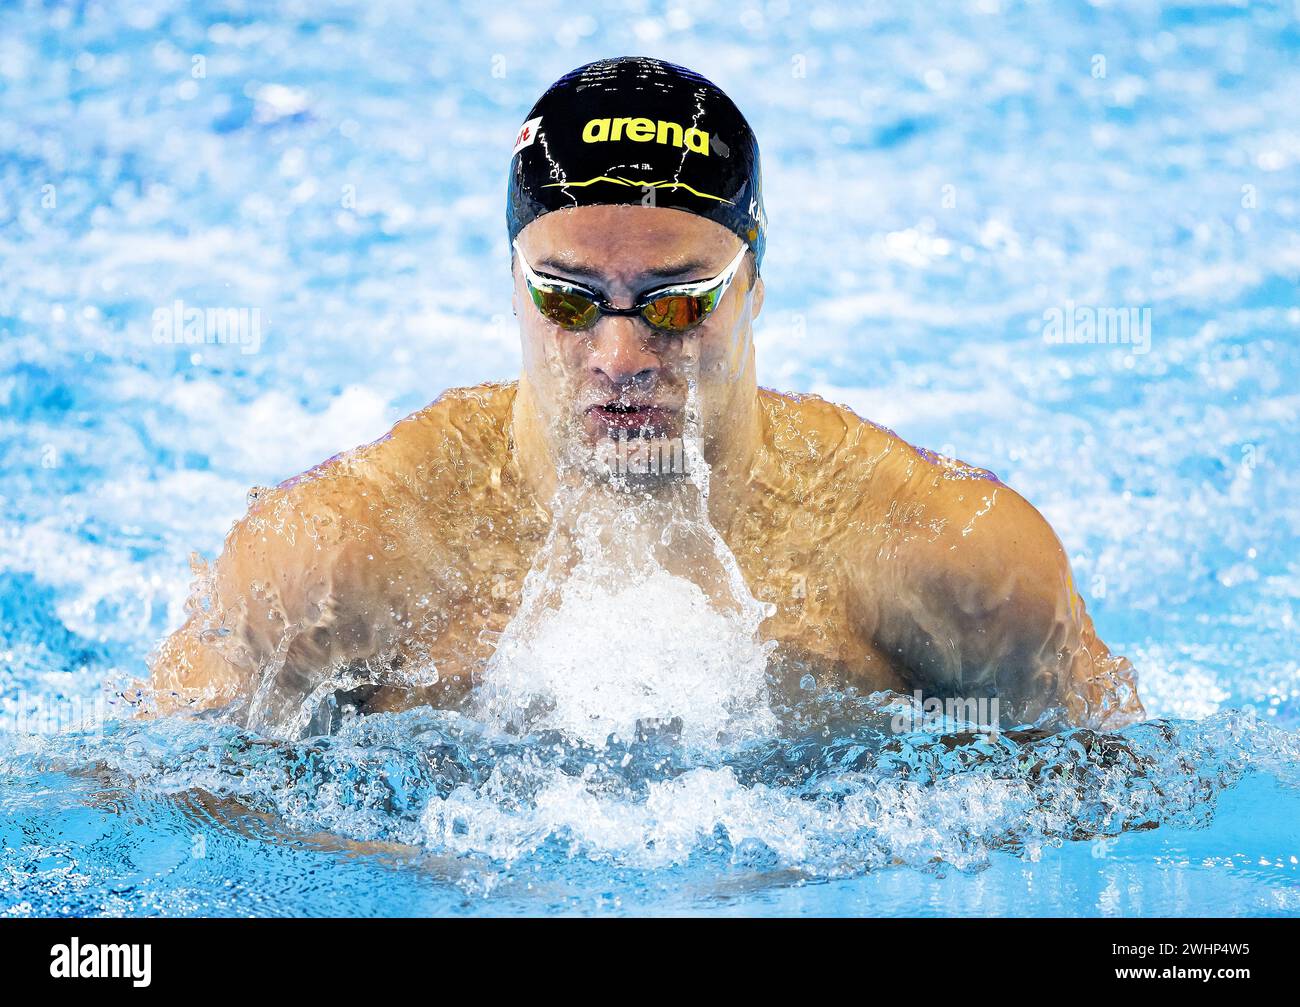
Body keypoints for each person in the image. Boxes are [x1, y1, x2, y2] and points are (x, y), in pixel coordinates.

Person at [149, 56, 1144, 733]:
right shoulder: (333, 556)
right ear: (511, 281)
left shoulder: (952, 557)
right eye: (566, 298)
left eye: (675, 304)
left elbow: (1128, 804)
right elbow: (148, 802)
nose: (618, 351)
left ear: (754, 282)